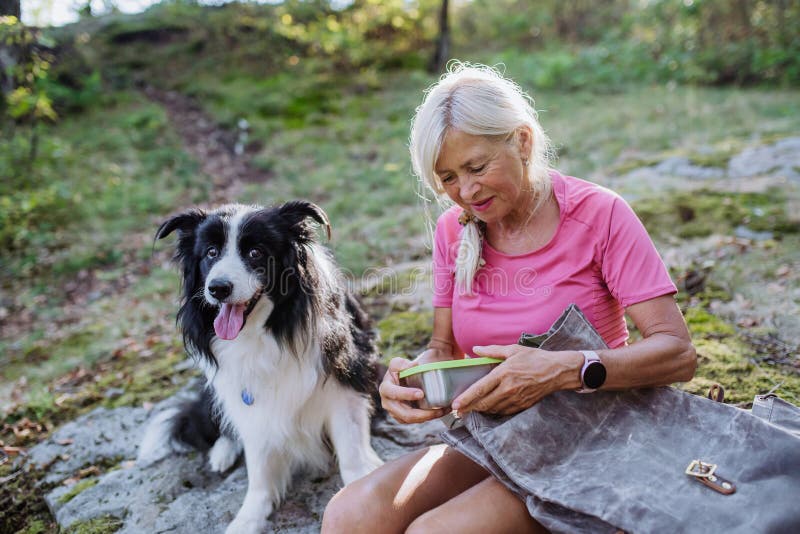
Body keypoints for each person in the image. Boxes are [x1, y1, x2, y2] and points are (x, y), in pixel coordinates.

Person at [321, 63, 697, 533]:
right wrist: (415, 379)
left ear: (521, 141)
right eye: (448, 178)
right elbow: (444, 348)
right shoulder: (452, 231)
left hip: (592, 429)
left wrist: (564, 368)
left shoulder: (600, 215)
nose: (466, 191)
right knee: (348, 515)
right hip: (495, 431)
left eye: (477, 167)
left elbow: (678, 353)